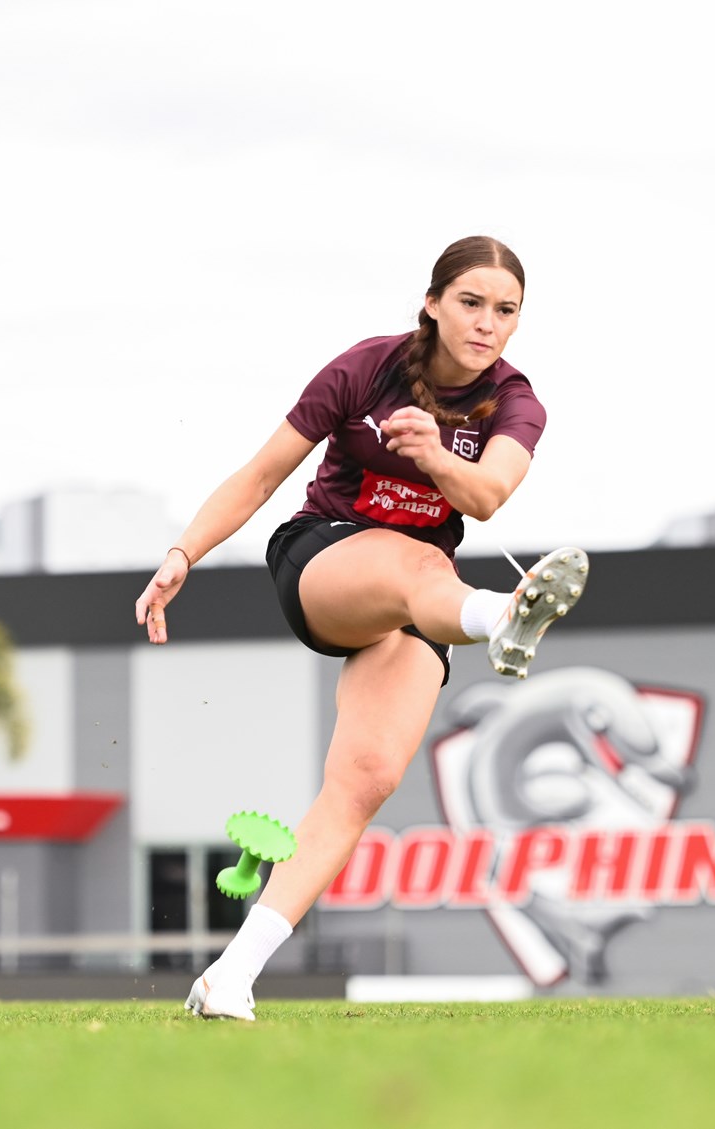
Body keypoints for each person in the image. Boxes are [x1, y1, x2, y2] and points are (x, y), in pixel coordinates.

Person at [134, 235, 589, 1020]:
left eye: (505, 310)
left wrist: (436, 456)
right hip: (326, 560)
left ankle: (229, 976)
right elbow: (261, 475)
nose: (486, 323)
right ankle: (500, 615)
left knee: (366, 780)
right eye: (470, 303)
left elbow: (487, 496)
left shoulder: (516, 401)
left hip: (418, 602)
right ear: (433, 303)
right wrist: (183, 553)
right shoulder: (364, 369)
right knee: (420, 567)